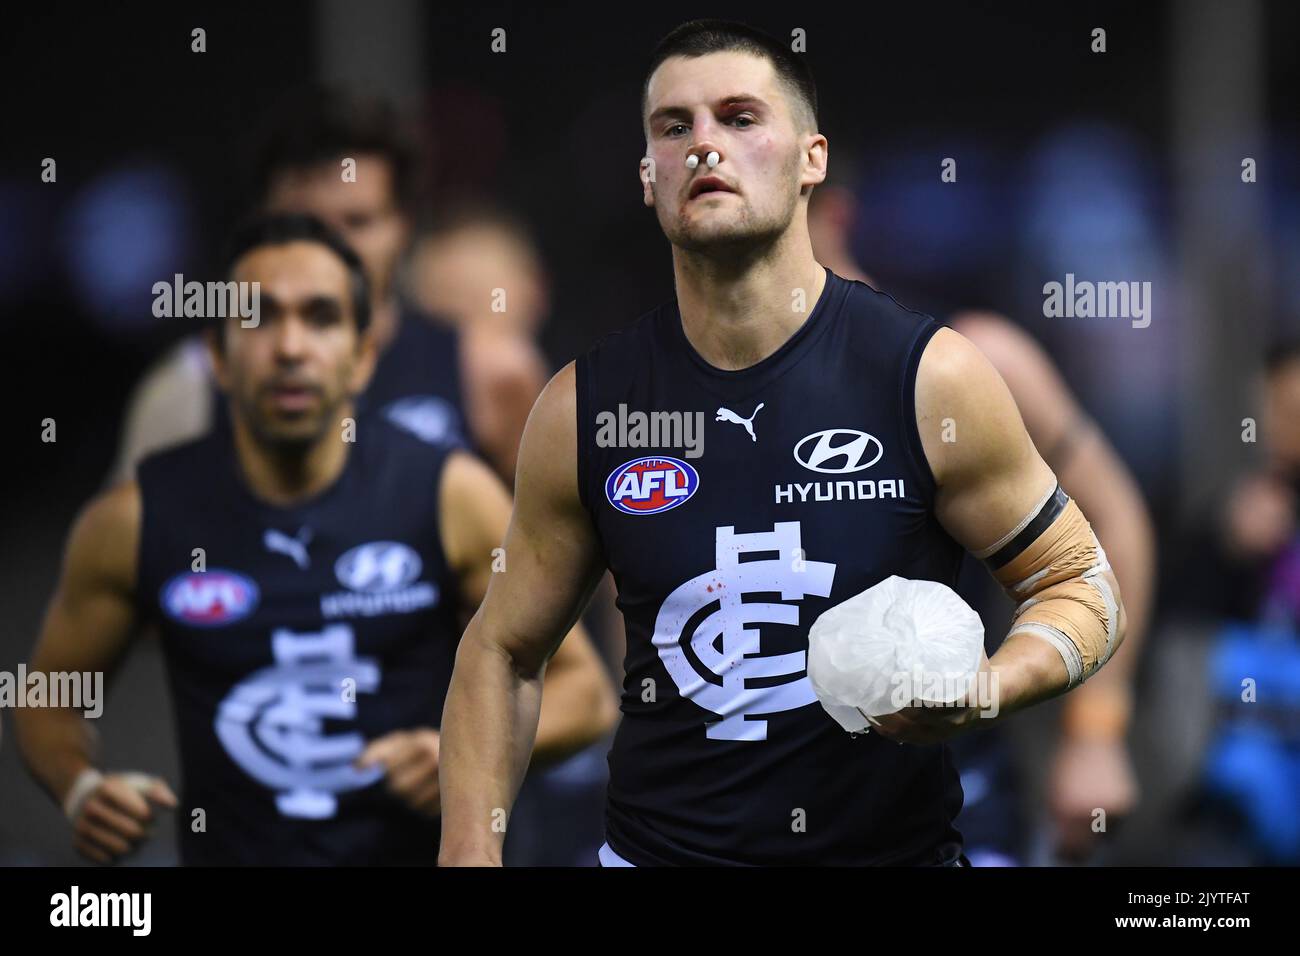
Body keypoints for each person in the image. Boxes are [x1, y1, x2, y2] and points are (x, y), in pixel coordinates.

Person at [436, 19, 1127, 867]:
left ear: (813, 159)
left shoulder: (928, 377)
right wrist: (469, 852)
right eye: (674, 127)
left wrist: (988, 688)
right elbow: (503, 650)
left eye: (740, 117)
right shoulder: (585, 406)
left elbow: (1081, 585)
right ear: (647, 177)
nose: (704, 148)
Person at [16, 214, 617, 865]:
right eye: (259, 318)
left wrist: (459, 754)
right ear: (217, 355)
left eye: (321, 317)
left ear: (362, 357)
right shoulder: (136, 520)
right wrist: (79, 786)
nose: (290, 347)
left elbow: (584, 697)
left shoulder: (448, 496)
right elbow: (47, 696)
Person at [808, 173, 1155, 864]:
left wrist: (1095, 733)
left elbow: (1112, 519)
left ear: (833, 206)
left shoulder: (972, 357)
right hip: (750, 814)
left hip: (955, 796)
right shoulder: (688, 393)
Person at [109, 88, 544, 486]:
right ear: (261, 224)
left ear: (404, 227)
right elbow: (128, 553)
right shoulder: (194, 385)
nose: (331, 247)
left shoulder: (487, 371)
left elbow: (561, 545)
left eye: (357, 221)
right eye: (306, 224)